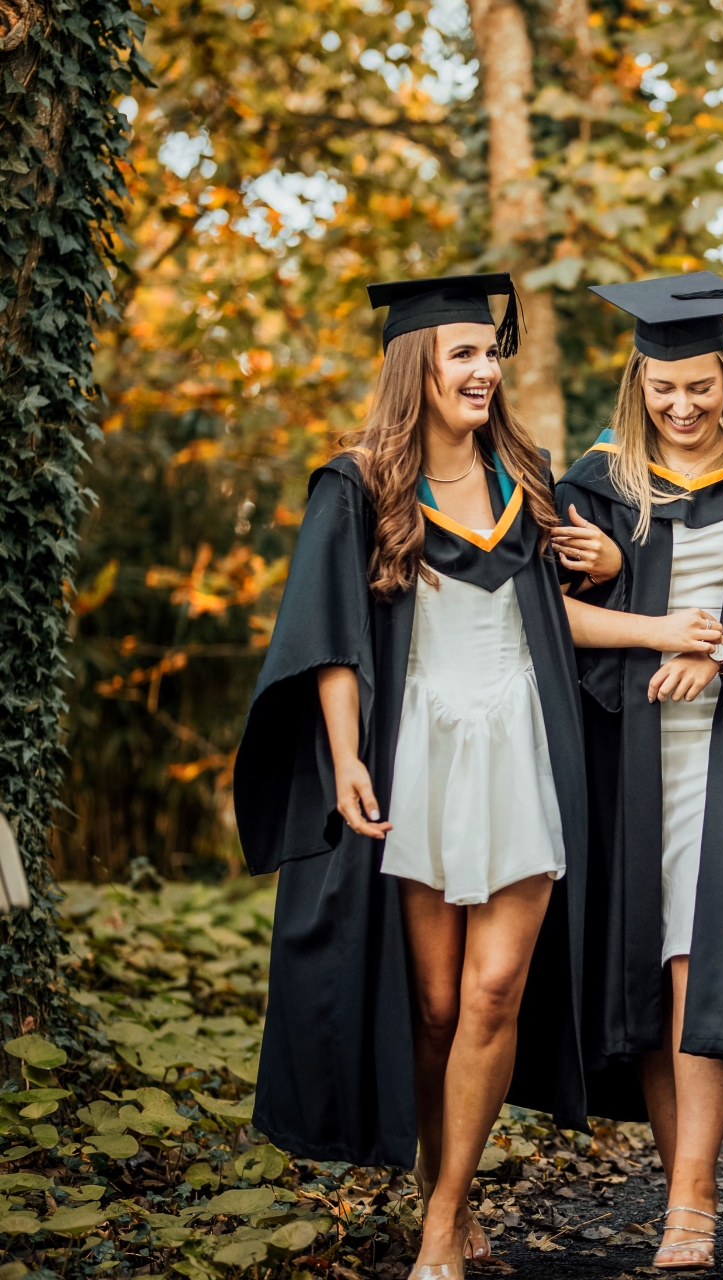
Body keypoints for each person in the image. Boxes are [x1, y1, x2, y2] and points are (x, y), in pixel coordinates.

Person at [232, 274, 590, 1280]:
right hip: (419, 747)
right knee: (433, 1003)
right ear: (415, 369)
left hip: (520, 739)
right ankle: (450, 1180)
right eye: (463, 355)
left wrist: (599, 564)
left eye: (490, 353)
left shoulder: (529, 473)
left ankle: (444, 1217)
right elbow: (333, 635)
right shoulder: (358, 485)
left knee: (492, 991)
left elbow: (566, 607)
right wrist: (345, 755)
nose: (485, 370)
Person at [546, 272, 723, 1271]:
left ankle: (694, 1198)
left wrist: (719, 645)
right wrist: (639, 601)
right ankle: (683, 1192)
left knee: (696, 960)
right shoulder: (595, 487)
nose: (682, 406)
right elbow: (555, 618)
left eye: (701, 386)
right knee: (646, 962)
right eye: (663, 389)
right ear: (638, 385)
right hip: (628, 747)